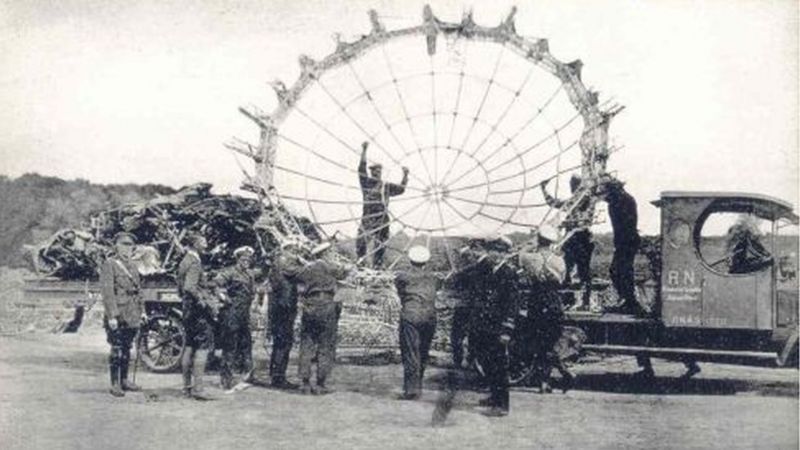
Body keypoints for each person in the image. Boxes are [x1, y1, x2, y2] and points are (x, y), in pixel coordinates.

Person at [451, 235, 518, 417]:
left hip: (497, 327)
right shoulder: (484, 269)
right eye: (493, 251)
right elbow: (461, 279)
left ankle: (502, 404)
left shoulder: (509, 273)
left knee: (499, 365)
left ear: (505, 254)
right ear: (488, 252)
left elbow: (512, 304)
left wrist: (507, 329)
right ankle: (494, 396)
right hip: (481, 325)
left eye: (500, 252)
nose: (496, 255)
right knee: (484, 362)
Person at [282, 242, 353, 395]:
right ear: (325, 254)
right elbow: (345, 272)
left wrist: (299, 260)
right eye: (330, 252)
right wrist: (348, 266)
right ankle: (320, 383)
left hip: (309, 306)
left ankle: (305, 383)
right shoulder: (330, 267)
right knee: (326, 345)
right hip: (327, 305)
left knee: (306, 344)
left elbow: (292, 274)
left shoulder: (307, 269)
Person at [518, 224, 574, 393]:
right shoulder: (559, 260)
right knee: (550, 342)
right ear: (551, 242)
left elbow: (521, 255)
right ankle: (560, 374)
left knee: (538, 342)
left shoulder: (529, 258)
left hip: (536, 301)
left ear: (539, 240)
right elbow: (563, 279)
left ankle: (547, 380)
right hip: (553, 302)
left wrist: (531, 242)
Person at [100, 232, 146, 397]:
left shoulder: (133, 266)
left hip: (132, 312)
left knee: (127, 347)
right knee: (117, 348)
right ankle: (115, 384)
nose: (127, 248)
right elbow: (107, 292)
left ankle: (125, 380)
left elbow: (138, 290)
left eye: (130, 245)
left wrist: (143, 311)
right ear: (116, 246)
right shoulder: (110, 264)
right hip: (118, 312)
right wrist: (112, 315)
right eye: (124, 244)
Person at [540, 175, 595, 310]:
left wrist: (567, 222)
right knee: (566, 269)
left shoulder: (586, 200)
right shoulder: (573, 201)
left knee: (583, 270)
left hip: (581, 237)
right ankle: (568, 300)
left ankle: (585, 302)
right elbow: (552, 202)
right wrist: (543, 189)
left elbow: (585, 216)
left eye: (574, 185)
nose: (572, 188)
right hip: (572, 237)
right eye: (571, 185)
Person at [394, 245, 440, 400]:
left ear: (410, 259)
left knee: (411, 352)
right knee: (423, 351)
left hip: (411, 314)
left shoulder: (403, 276)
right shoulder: (433, 277)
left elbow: (400, 292)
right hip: (429, 315)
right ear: (426, 261)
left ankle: (412, 390)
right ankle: (417, 385)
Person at [177, 234, 220, 400]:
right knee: (202, 347)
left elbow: (182, 288)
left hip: (188, 310)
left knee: (189, 346)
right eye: (203, 241)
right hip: (198, 312)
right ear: (195, 244)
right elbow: (189, 287)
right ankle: (199, 389)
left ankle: (187, 388)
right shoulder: (195, 262)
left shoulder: (185, 260)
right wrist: (203, 301)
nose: (206, 244)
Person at [356, 141, 409, 268]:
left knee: (380, 245)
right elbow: (361, 169)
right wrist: (364, 150)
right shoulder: (366, 183)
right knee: (361, 242)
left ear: (381, 173)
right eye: (374, 172)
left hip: (383, 219)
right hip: (368, 217)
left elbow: (401, 189)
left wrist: (405, 176)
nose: (376, 173)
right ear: (371, 173)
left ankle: (377, 266)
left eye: (379, 172)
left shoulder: (386, 186)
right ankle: (361, 264)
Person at [215, 246, 260, 390]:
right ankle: (226, 380)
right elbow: (215, 284)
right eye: (243, 259)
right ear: (238, 259)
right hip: (232, 313)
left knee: (246, 345)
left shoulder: (250, 274)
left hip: (244, 314)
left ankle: (248, 377)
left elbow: (253, 291)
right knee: (230, 346)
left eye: (248, 259)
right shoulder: (230, 272)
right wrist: (223, 297)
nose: (246, 261)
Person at [598, 178, 643, 315]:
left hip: (626, 240)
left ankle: (630, 301)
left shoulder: (622, 200)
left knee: (619, 271)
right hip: (626, 240)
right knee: (621, 271)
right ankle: (628, 300)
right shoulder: (623, 198)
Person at [267, 247, 300, 389]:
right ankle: (278, 377)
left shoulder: (274, 269)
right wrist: (302, 261)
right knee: (284, 343)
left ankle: (275, 374)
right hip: (284, 309)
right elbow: (301, 271)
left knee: (278, 343)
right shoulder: (286, 268)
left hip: (277, 310)